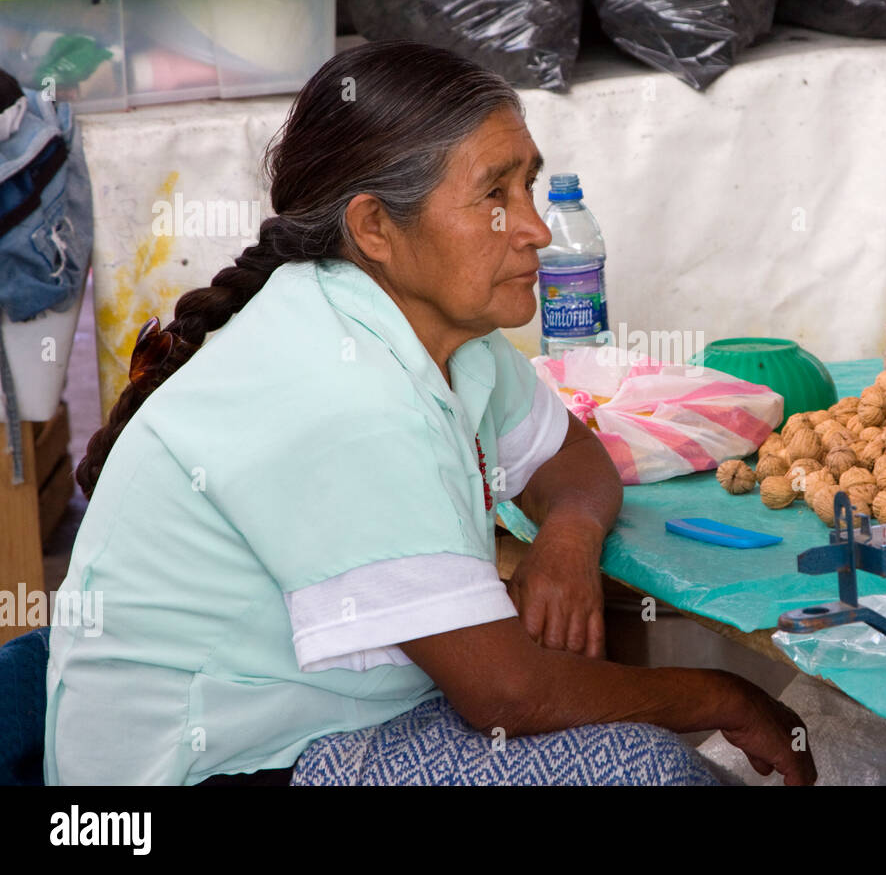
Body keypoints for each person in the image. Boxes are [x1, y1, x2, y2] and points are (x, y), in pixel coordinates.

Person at [46, 41, 815, 787]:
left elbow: (572, 459)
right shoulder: (342, 389)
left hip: (331, 725)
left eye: (529, 187)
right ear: (376, 227)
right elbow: (510, 694)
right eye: (493, 197)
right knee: (638, 768)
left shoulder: (441, 336)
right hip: (219, 769)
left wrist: (569, 536)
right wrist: (724, 697)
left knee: (628, 742)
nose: (536, 230)